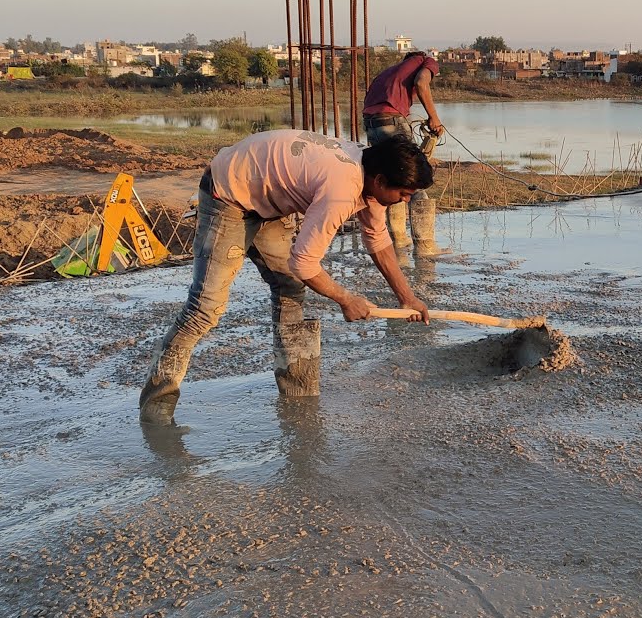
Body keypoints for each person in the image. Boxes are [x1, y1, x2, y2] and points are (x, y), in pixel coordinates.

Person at [139, 129, 434, 425]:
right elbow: (304, 264)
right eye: (403, 195)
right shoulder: (342, 189)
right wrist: (345, 299)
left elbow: (378, 239)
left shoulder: (370, 173)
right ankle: (157, 406)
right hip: (228, 194)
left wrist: (406, 297)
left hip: (268, 199)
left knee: (289, 289)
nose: (405, 202)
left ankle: (298, 392)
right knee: (205, 308)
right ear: (381, 181)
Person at [362, 51, 445, 252]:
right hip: (391, 120)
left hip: (371, 123)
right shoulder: (427, 61)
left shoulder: (390, 72)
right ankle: (425, 246)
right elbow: (421, 84)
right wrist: (434, 118)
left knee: (393, 179)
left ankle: (399, 239)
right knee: (413, 179)